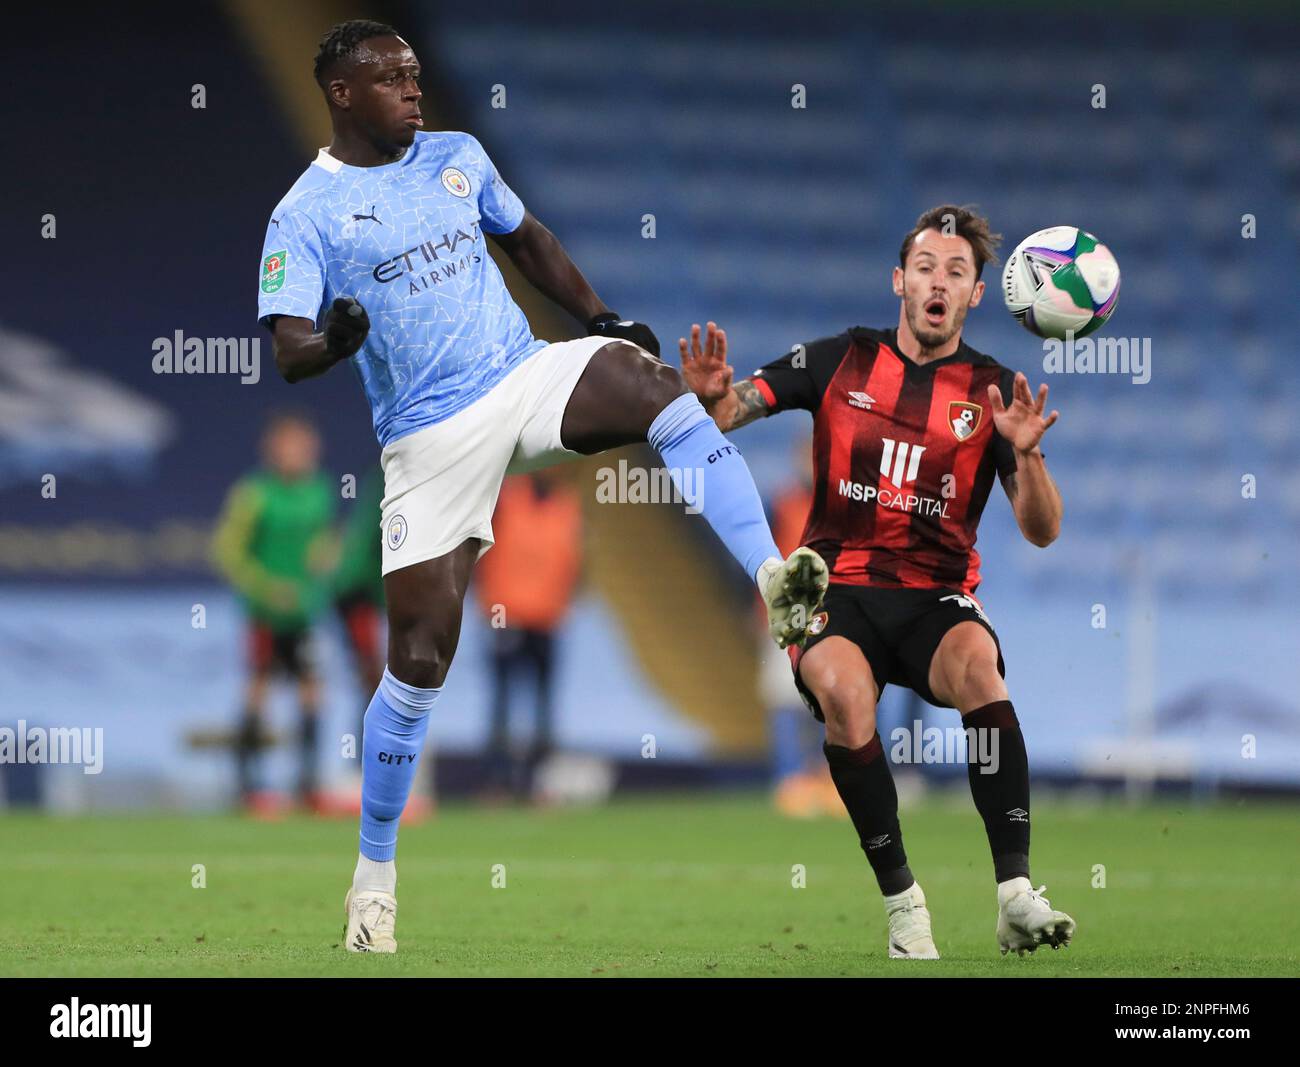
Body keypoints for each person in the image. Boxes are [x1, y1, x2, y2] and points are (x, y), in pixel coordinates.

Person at [256, 20, 827, 953]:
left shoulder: (456, 155)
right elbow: (289, 352)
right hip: (429, 438)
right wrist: (337, 343)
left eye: (414, 73)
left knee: (655, 389)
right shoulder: (304, 213)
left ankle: (774, 579)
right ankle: (373, 878)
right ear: (342, 94)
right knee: (421, 659)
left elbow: (528, 241)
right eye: (392, 78)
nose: (413, 89)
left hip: (519, 374)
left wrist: (601, 317)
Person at [679, 204, 1075, 959]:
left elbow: (1042, 529)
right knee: (845, 694)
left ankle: (1015, 894)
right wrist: (708, 396)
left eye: (957, 272)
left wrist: (1027, 455)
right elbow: (732, 410)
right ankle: (904, 904)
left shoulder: (992, 392)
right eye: (926, 266)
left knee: (980, 674)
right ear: (899, 280)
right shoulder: (837, 359)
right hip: (837, 588)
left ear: (976, 296)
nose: (939, 281)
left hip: (935, 594)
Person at [212, 412, 335, 810]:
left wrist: (325, 561)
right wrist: (265, 589)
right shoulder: (254, 494)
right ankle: (247, 787)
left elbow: (322, 544)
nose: (299, 454)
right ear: (272, 450)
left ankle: (307, 784)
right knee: (257, 691)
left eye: (305, 446)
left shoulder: (321, 491)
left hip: (304, 615)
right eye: (291, 446)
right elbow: (227, 552)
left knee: (312, 694)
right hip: (264, 615)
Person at [474, 470, 582, 797]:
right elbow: (480, 552)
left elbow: (575, 563)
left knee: (543, 706)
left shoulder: (567, 506)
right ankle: (498, 782)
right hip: (507, 616)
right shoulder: (506, 498)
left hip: (548, 619)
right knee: (503, 703)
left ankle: (537, 783)